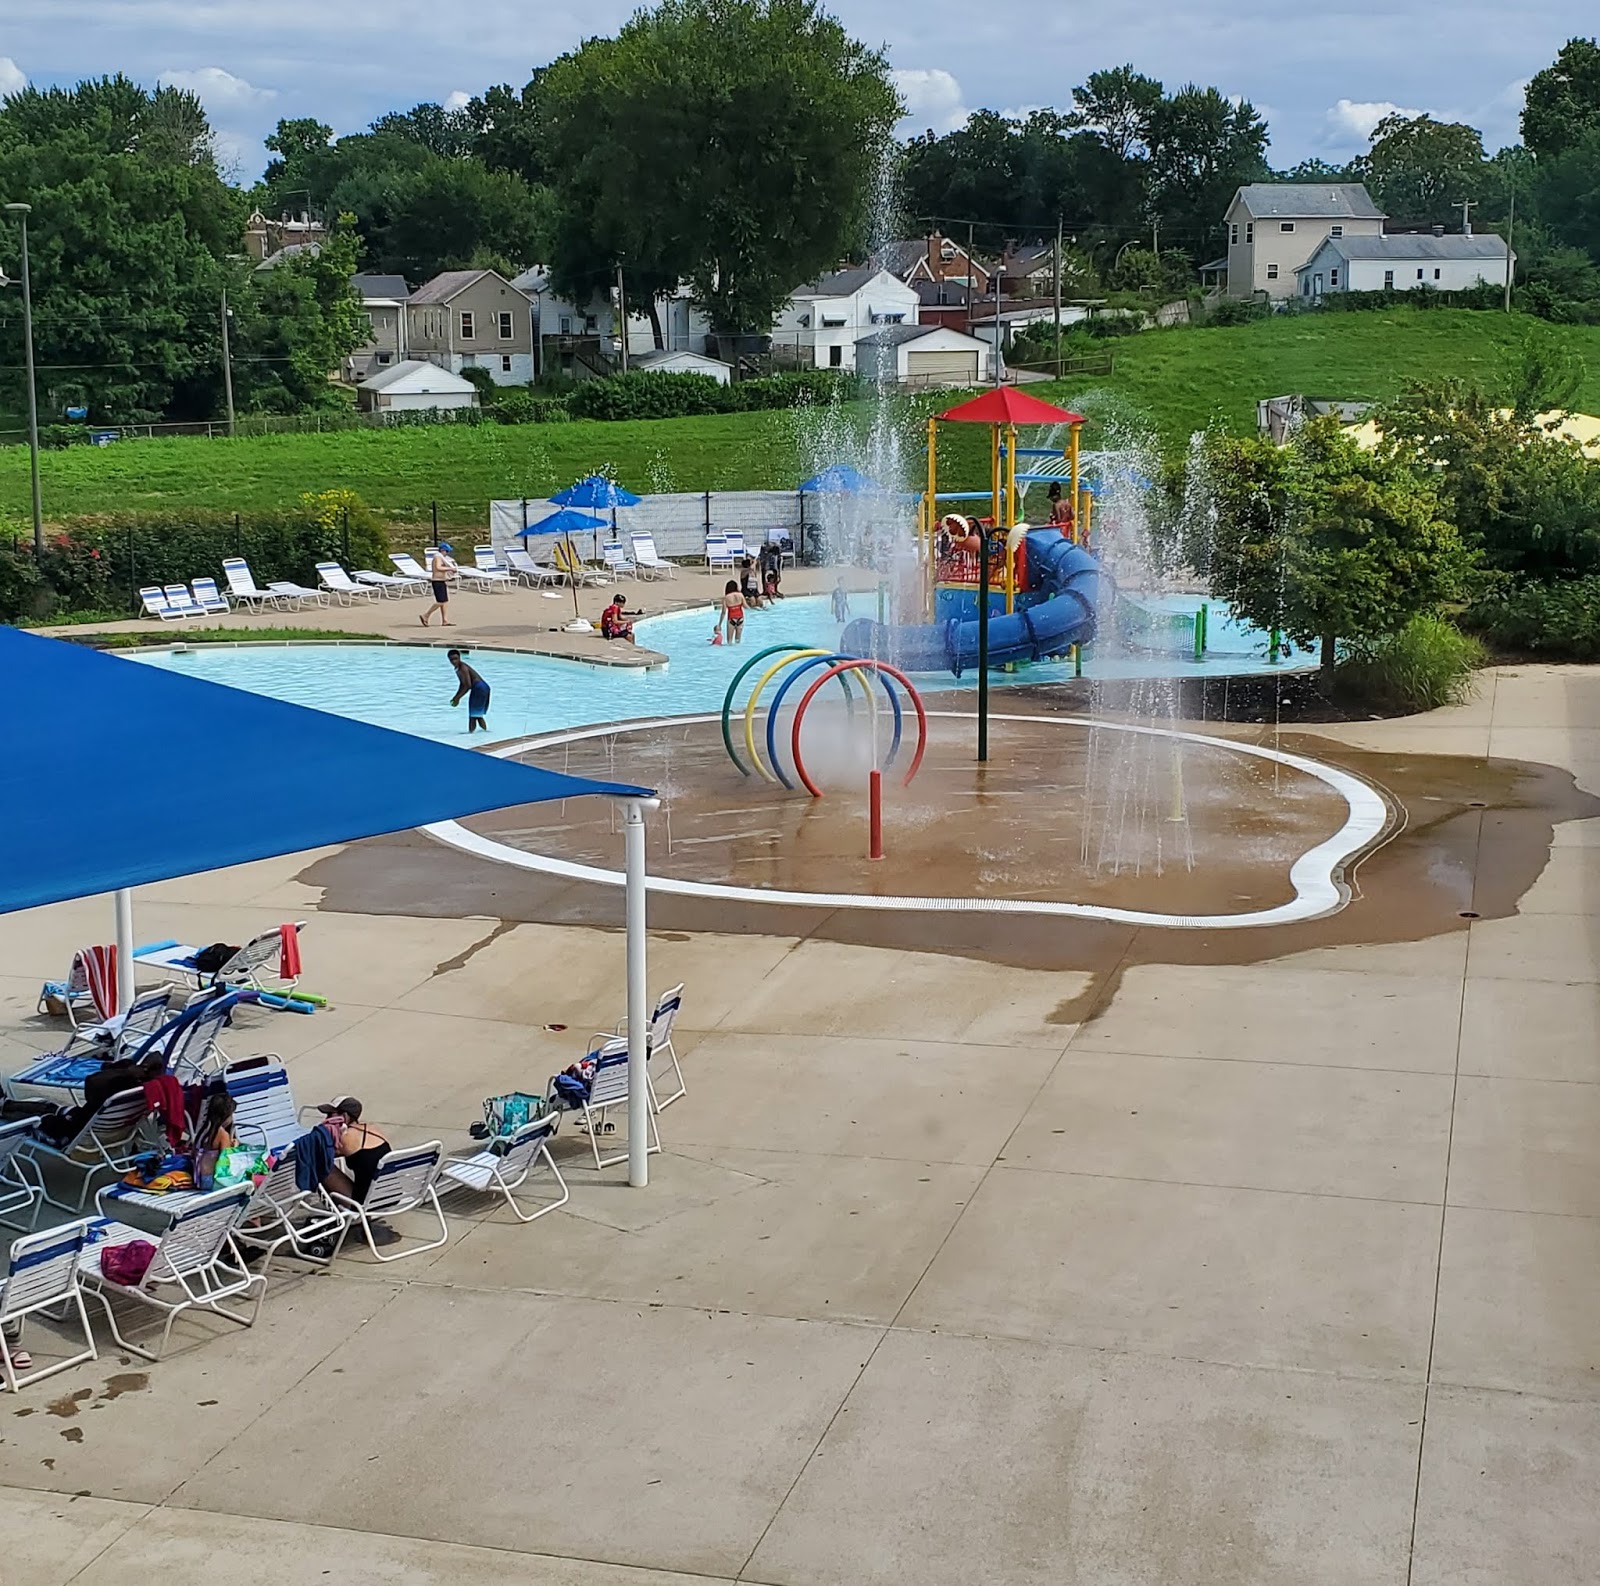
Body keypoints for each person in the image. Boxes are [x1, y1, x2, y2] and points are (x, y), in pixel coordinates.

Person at [317, 1097, 392, 1207]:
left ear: (345, 1116)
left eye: (330, 1115)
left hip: (366, 1202)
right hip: (392, 1195)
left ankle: (336, 1211)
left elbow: (319, 1153)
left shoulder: (345, 1137)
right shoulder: (373, 1128)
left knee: (319, 1164)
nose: (326, 1119)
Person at [192, 1090, 237, 1191]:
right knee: (252, 1175)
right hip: (214, 1182)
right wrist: (235, 1147)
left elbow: (193, 1154)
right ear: (226, 1116)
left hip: (200, 1179)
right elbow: (226, 1161)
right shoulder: (223, 1135)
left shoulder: (203, 1131)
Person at [447, 648, 490, 733]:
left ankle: (471, 735)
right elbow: (462, 684)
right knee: (477, 715)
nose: (454, 661)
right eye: (451, 660)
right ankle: (484, 733)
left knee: (473, 716)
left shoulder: (462, 668)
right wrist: (456, 696)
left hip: (479, 688)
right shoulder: (458, 668)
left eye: (456, 659)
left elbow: (467, 685)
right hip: (483, 688)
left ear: (459, 658)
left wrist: (457, 698)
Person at [421, 543, 456, 627]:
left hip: (441, 581)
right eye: (447, 551)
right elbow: (438, 567)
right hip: (437, 581)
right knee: (441, 601)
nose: (447, 553)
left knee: (445, 601)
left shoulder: (441, 557)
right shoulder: (437, 557)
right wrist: (450, 568)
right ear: (443, 550)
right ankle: (426, 615)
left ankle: (445, 620)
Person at [714, 578, 746, 645]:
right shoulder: (740, 595)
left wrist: (719, 624)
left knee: (729, 642)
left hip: (731, 619)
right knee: (738, 641)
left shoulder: (726, 597)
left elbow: (723, 612)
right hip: (740, 618)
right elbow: (746, 606)